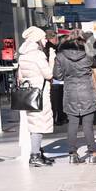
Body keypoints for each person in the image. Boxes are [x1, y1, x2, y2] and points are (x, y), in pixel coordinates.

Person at [54, 36, 96, 164]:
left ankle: (72, 153)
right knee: (88, 124)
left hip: (70, 93)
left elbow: (58, 76)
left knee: (72, 123)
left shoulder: (60, 56)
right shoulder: (87, 55)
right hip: (87, 91)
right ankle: (93, 152)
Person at [16, 26, 55, 168]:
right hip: (40, 93)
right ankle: (35, 156)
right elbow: (49, 74)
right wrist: (52, 59)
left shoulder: (23, 55)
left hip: (30, 94)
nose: (45, 40)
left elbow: (20, 76)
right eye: (44, 38)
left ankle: (38, 152)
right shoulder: (38, 55)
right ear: (37, 39)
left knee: (34, 122)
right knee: (38, 124)